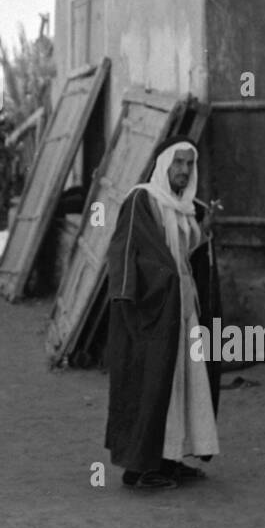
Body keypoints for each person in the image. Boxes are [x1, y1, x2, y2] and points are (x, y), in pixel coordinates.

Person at [103, 138, 221, 491]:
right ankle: (139, 468)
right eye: (178, 163)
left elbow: (187, 255)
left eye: (189, 164)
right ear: (164, 164)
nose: (183, 170)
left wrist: (208, 226)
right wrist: (129, 300)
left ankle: (170, 460)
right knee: (154, 385)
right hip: (152, 311)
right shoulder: (143, 199)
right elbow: (126, 250)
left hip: (183, 310)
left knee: (184, 386)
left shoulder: (187, 209)